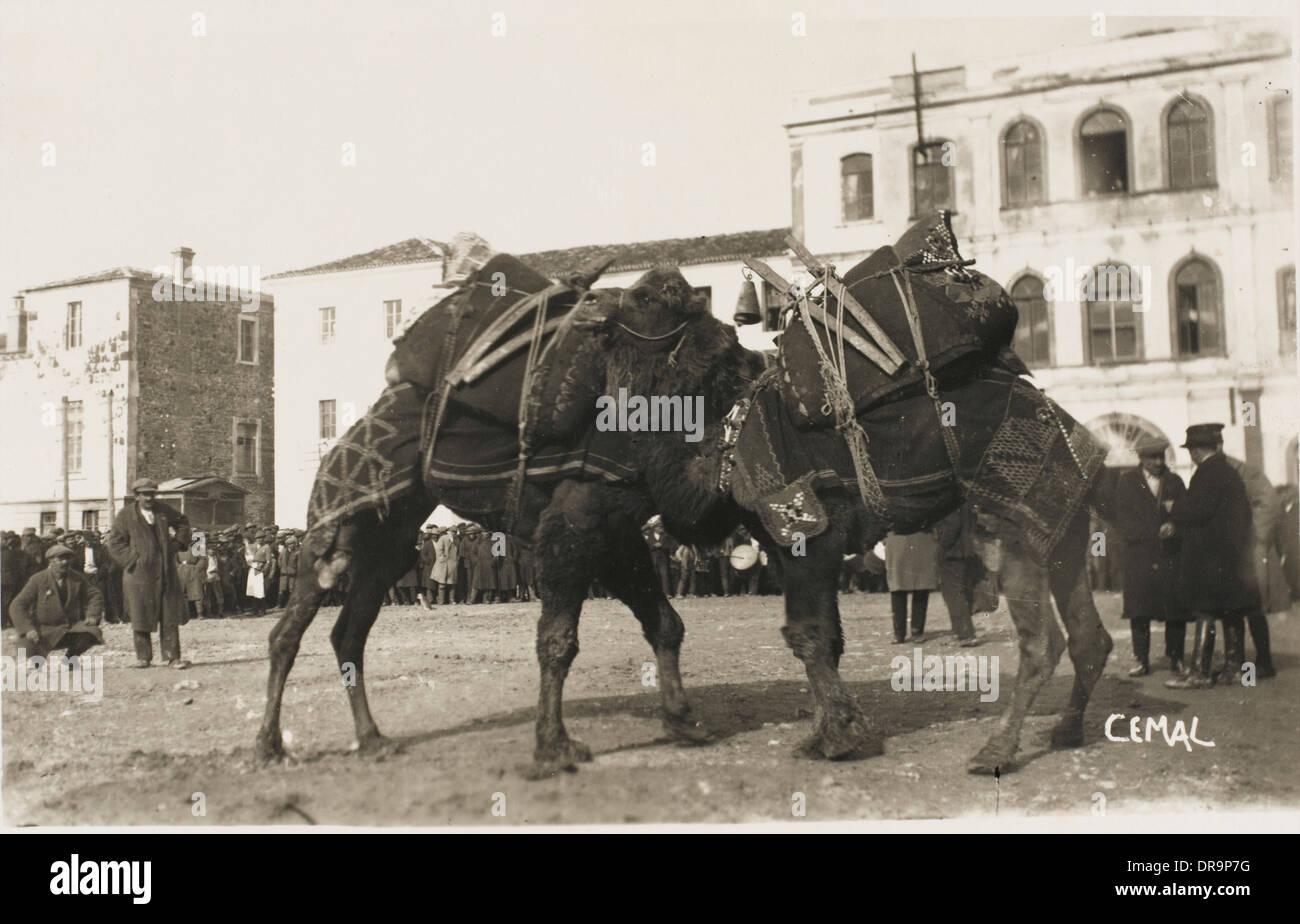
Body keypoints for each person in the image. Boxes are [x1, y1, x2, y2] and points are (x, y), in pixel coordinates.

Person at [1164, 424, 1270, 688]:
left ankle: (1199, 672)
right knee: (1233, 611)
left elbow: (1198, 510)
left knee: (1205, 612)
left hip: (1209, 559)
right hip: (1231, 557)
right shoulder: (1228, 472)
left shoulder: (1208, 473)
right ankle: (1234, 669)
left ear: (1198, 451)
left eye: (1191, 450)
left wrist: (1174, 507)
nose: (1191, 455)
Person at [1113, 437, 1188, 676]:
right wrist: (1153, 533)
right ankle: (1141, 659)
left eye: (1161, 457)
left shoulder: (1174, 482)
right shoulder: (1127, 483)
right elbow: (1123, 522)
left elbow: (1185, 513)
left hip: (1169, 556)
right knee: (1140, 610)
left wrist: (1175, 526)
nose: (1157, 462)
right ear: (1141, 459)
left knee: (1174, 610)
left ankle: (1176, 657)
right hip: (1140, 557)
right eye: (1152, 457)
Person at [106, 478, 193, 668]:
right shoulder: (126, 515)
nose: (149, 498)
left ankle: (172, 657)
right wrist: (133, 560)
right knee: (140, 614)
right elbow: (114, 543)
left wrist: (178, 543)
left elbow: (183, 522)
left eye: (152, 494)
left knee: (169, 614)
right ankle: (143, 657)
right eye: (144, 494)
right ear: (137, 496)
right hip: (139, 574)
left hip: (165, 571)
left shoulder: (163, 511)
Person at [9, 543, 104, 663]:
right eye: (60, 559)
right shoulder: (38, 579)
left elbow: (95, 595)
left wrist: (92, 615)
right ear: (51, 561)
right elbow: (17, 605)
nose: (65, 562)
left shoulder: (76, 578)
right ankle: (38, 660)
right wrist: (28, 629)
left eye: (67, 558)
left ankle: (70, 659)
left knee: (93, 632)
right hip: (44, 629)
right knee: (26, 646)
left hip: (71, 627)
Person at [933, 505, 989, 648]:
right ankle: (961, 632)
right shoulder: (965, 501)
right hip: (966, 551)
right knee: (963, 592)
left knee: (953, 594)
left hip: (952, 553)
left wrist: (942, 544)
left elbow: (952, 525)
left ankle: (966, 634)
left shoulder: (949, 501)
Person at [885, 528, 940, 644]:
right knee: (917, 587)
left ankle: (900, 633)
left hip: (903, 541)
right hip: (915, 540)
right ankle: (915, 631)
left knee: (902, 587)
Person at [2, 533, 37, 630]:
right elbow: (29, 568)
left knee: (5, 602)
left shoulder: (3, 554)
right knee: (14, 602)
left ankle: (4, 623)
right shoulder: (24, 554)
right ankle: (12, 621)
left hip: (6, 582)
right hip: (18, 582)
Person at [432, 527, 459, 605]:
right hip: (443, 564)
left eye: (455, 532)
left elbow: (458, 551)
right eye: (452, 532)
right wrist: (442, 559)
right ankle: (441, 600)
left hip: (453, 564)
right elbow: (439, 550)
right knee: (442, 583)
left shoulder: (456, 540)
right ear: (448, 532)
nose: (453, 533)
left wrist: (457, 560)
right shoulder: (443, 538)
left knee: (452, 583)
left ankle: (451, 600)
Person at [277, 534, 299, 609]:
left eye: (293, 544)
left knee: (291, 589)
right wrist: (281, 567)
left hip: (292, 573)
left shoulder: (297, 552)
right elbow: (279, 559)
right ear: (287, 545)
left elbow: (299, 563)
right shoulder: (284, 551)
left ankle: (291, 605)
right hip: (284, 573)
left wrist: (295, 569)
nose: (291, 545)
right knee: (282, 589)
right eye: (290, 544)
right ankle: (279, 605)